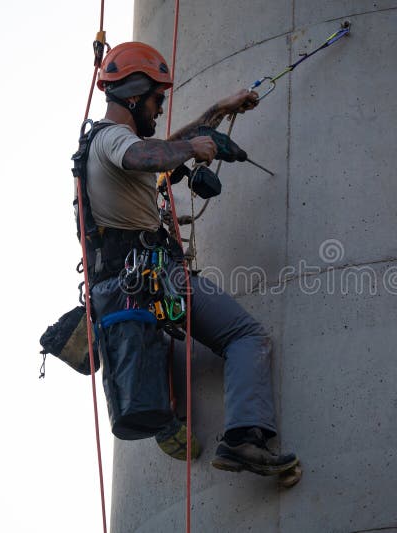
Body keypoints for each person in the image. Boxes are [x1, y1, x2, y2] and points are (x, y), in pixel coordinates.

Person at [85, 41, 298, 477]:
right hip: (152, 280)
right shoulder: (113, 140)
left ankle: (177, 420)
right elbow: (147, 154)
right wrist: (193, 150)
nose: (159, 108)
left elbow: (166, 144)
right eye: (156, 99)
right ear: (134, 93)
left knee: (187, 342)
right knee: (247, 335)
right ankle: (243, 439)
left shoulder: (104, 142)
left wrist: (219, 110)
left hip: (132, 288)